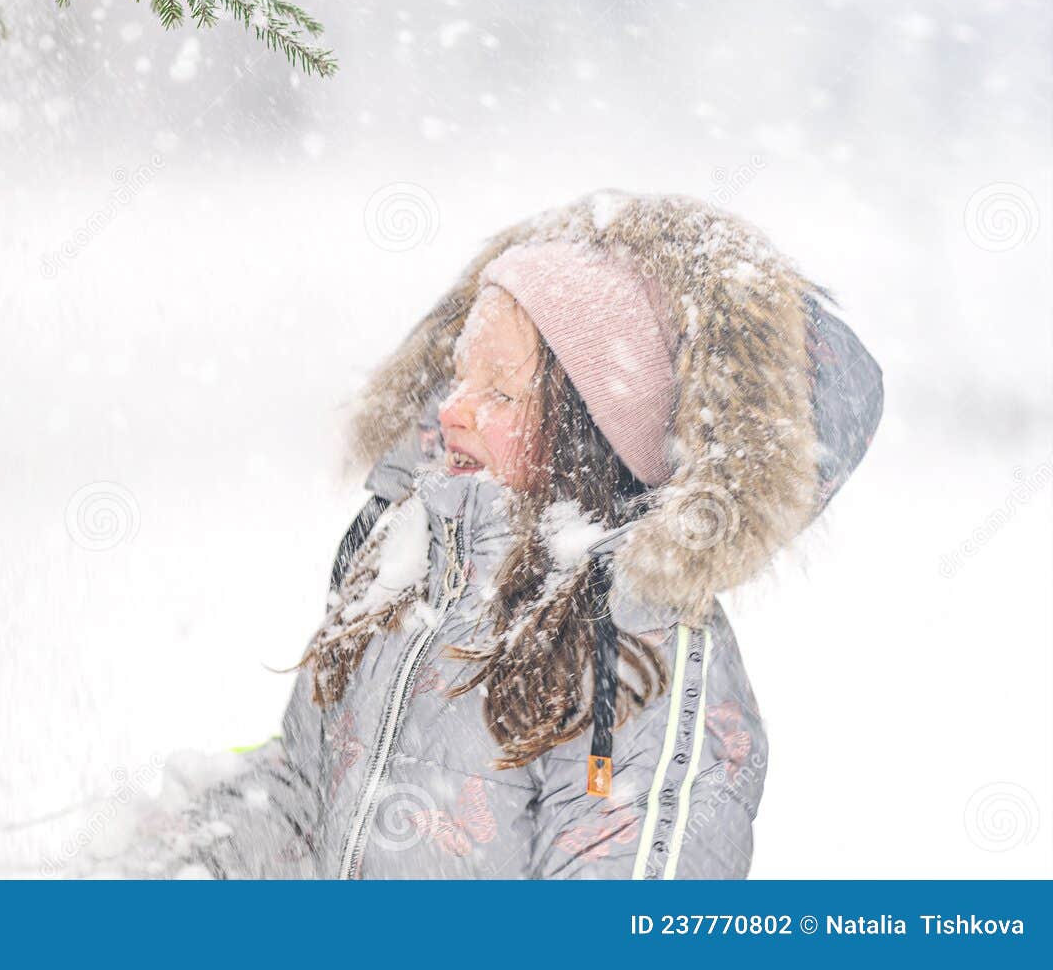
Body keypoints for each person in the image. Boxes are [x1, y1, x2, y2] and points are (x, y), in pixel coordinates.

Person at [123, 190, 882, 879]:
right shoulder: (409, 567)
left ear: (588, 436)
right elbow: (308, 795)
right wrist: (191, 861)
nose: (451, 409)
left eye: (500, 391)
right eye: (459, 377)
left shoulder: (635, 642)